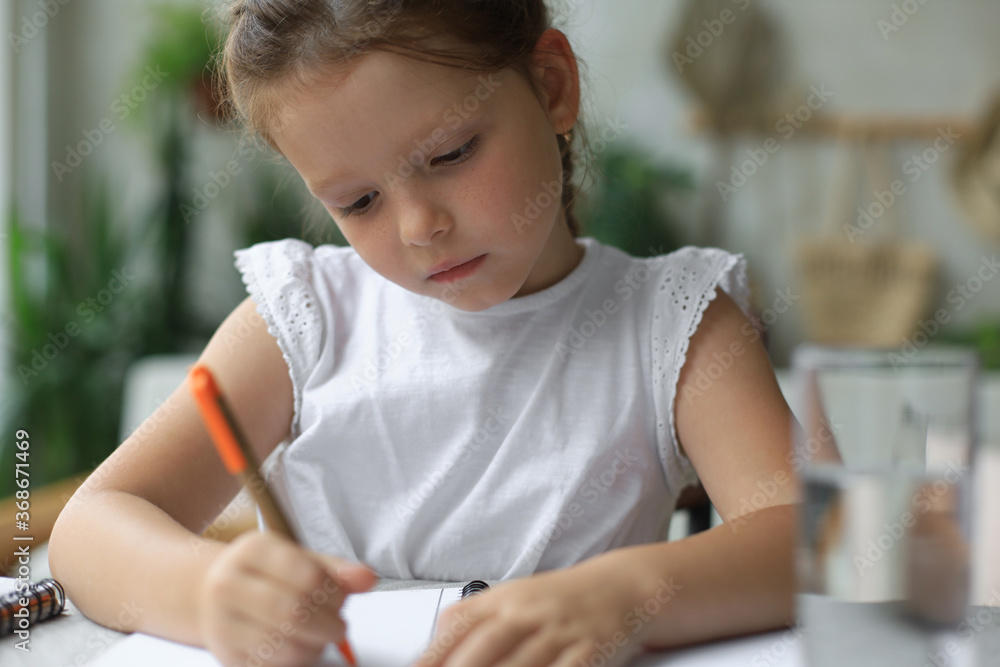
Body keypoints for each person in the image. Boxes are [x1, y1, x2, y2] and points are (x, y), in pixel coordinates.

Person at [48, 1, 801, 666]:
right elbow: (88, 531)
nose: (420, 227)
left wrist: (624, 595)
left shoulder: (675, 323)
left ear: (552, 88)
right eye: (360, 200)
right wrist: (208, 590)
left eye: (450, 154)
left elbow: (813, 536)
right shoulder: (304, 319)